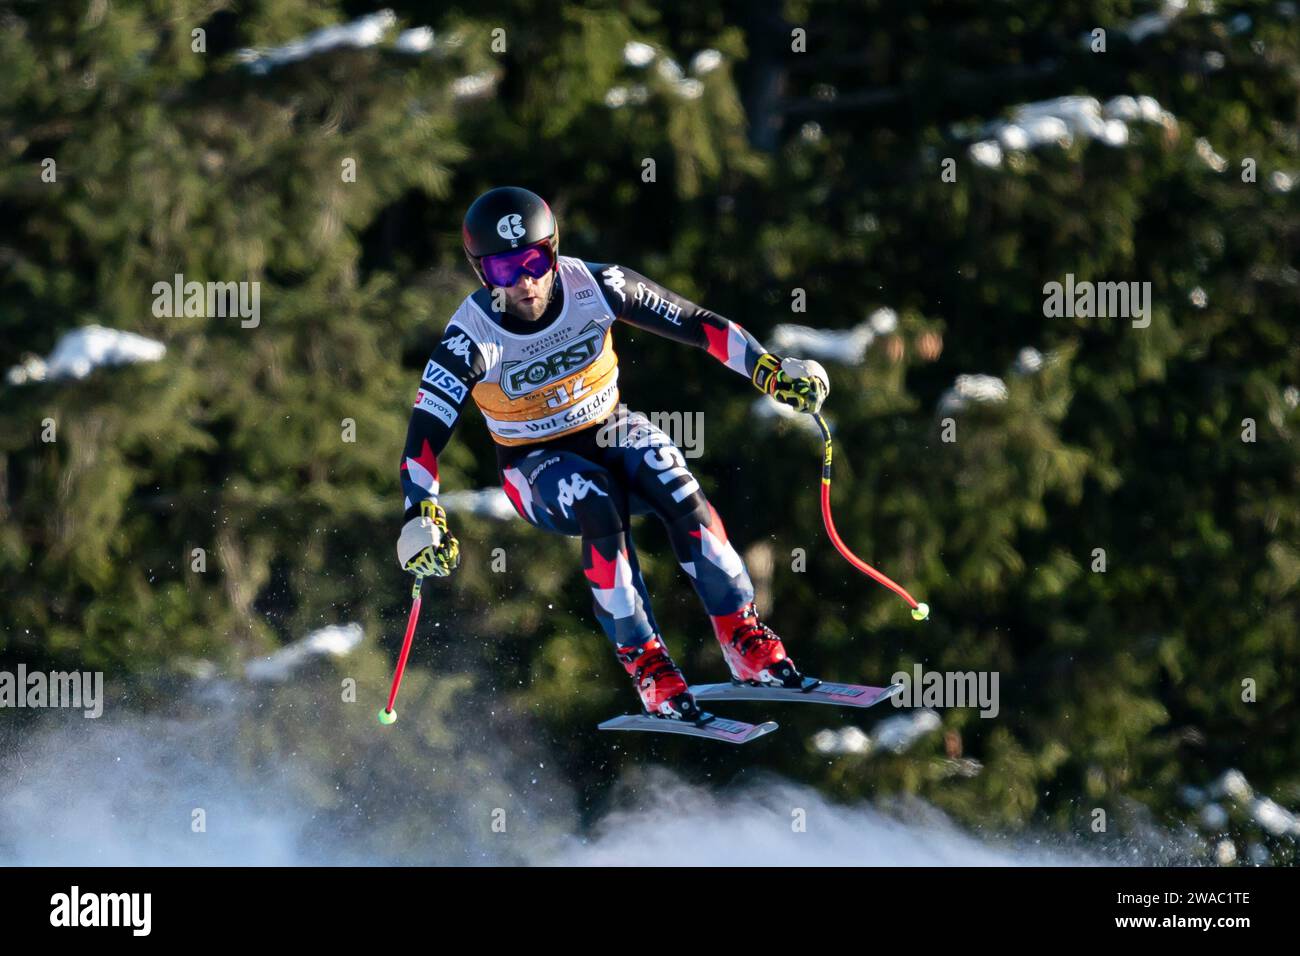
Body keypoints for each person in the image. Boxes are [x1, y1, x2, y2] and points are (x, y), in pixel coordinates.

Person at [396, 186, 829, 721]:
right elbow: (422, 440)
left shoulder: (598, 285)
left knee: (676, 483)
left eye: (535, 260)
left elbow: (698, 325)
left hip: (610, 427)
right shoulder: (469, 338)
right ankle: (647, 664)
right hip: (533, 464)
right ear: (482, 273)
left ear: (554, 251)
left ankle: (741, 633)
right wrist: (422, 512)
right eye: (506, 270)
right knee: (598, 502)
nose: (526, 281)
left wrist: (767, 369)